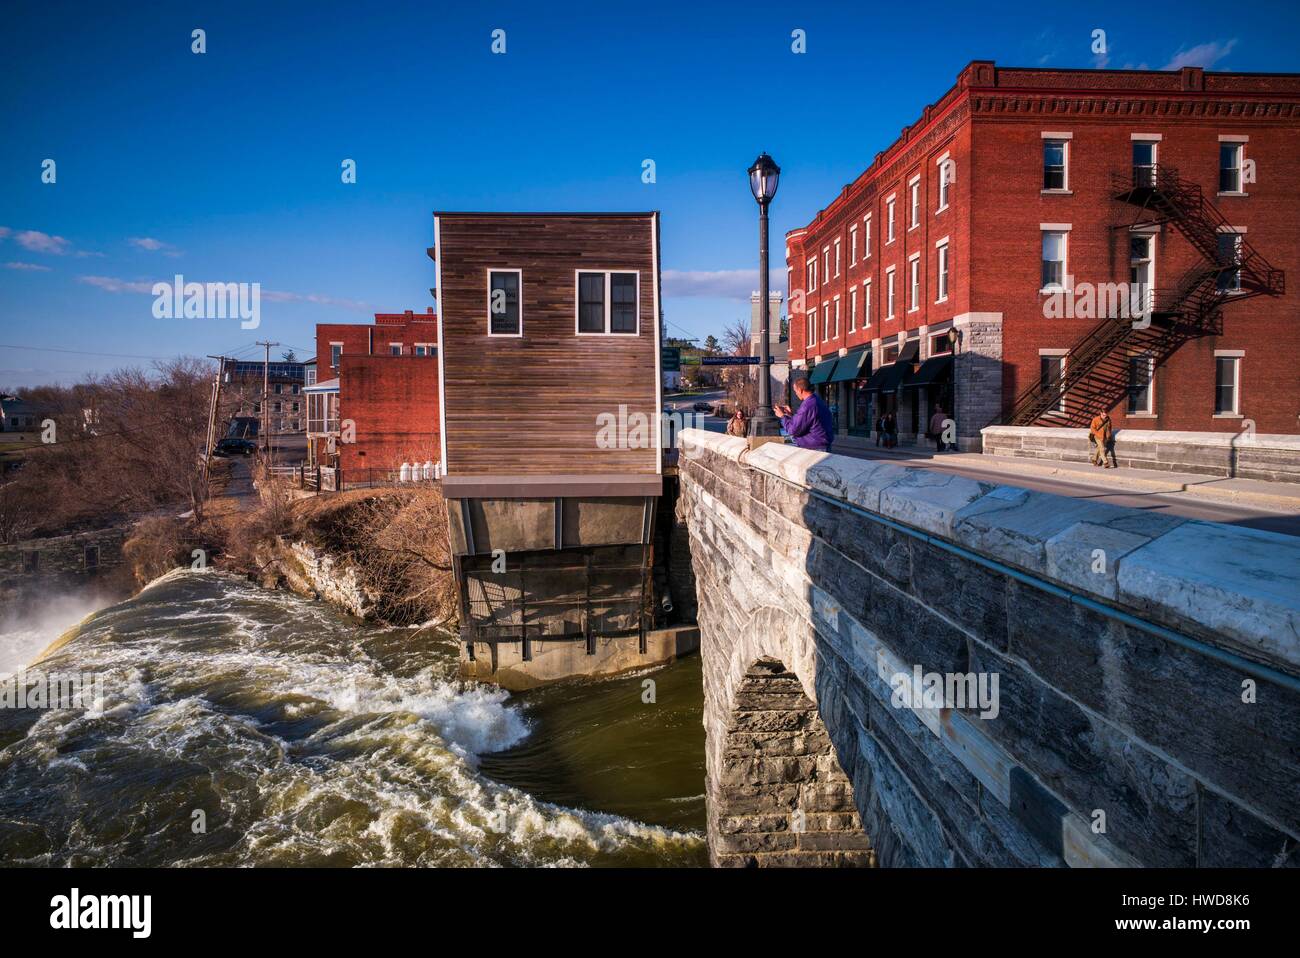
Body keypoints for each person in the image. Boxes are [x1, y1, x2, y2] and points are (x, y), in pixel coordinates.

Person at [774, 377, 834, 452]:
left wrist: (782, 416)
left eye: (795, 391)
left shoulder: (808, 406)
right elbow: (806, 422)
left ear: (800, 390)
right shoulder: (816, 400)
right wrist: (790, 415)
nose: (796, 393)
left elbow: (794, 430)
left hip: (814, 448)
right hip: (821, 446)